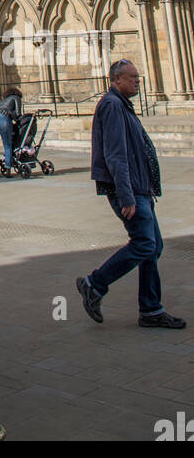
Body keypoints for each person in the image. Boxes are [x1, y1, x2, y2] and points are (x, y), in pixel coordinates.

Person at [77, 60, 185, 330]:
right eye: (133, 77)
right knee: (145, 244)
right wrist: (126, 197)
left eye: (138, 77)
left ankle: (151, 310)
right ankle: (94, 284)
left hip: (140, 188)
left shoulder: (121, 104)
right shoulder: (113, 105)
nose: (138, 81)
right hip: (131, 191)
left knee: (153, 247)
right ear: (117, 80)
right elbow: (115, 155)